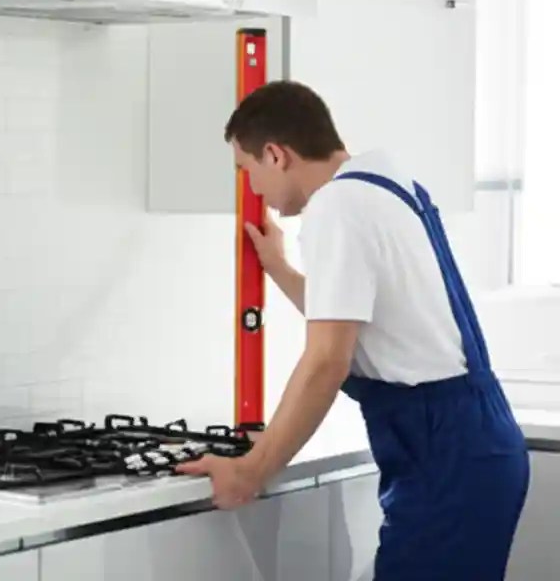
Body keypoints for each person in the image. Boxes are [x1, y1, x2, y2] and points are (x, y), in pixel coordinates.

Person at [177, 80, 530, 580]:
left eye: (247, 169)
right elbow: (351, 313)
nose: (252, 189)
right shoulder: (384, 184)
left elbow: (326, 360)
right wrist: (277, 267)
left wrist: (251, 470)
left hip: (445, 448)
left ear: (276, 155)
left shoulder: (336, 208)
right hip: (472, 441)